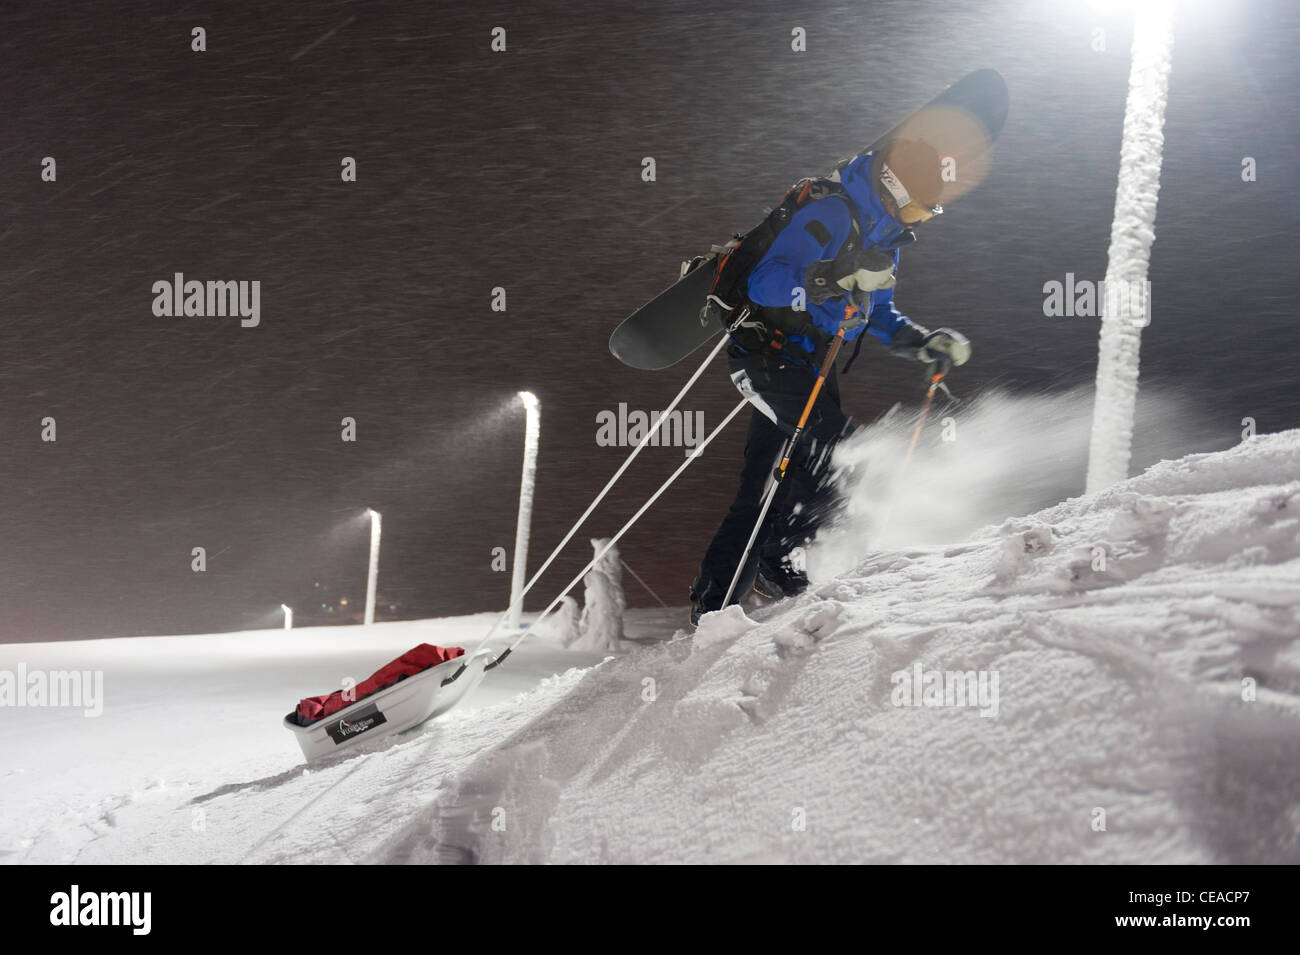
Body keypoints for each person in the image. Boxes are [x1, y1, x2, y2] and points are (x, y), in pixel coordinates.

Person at [689, 140, 971, 625]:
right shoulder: (833, 214)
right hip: (764, 355)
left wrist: (923, 342)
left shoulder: (883, 245)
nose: (918, 220)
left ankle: (713, 604)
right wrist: (830, 276)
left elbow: (878, 314)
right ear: (892, 189)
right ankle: (782, 562)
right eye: (916, 207)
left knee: (761, 486)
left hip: (812, 368)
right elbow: (767, 282)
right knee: (833, 448)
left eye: (927, 213)